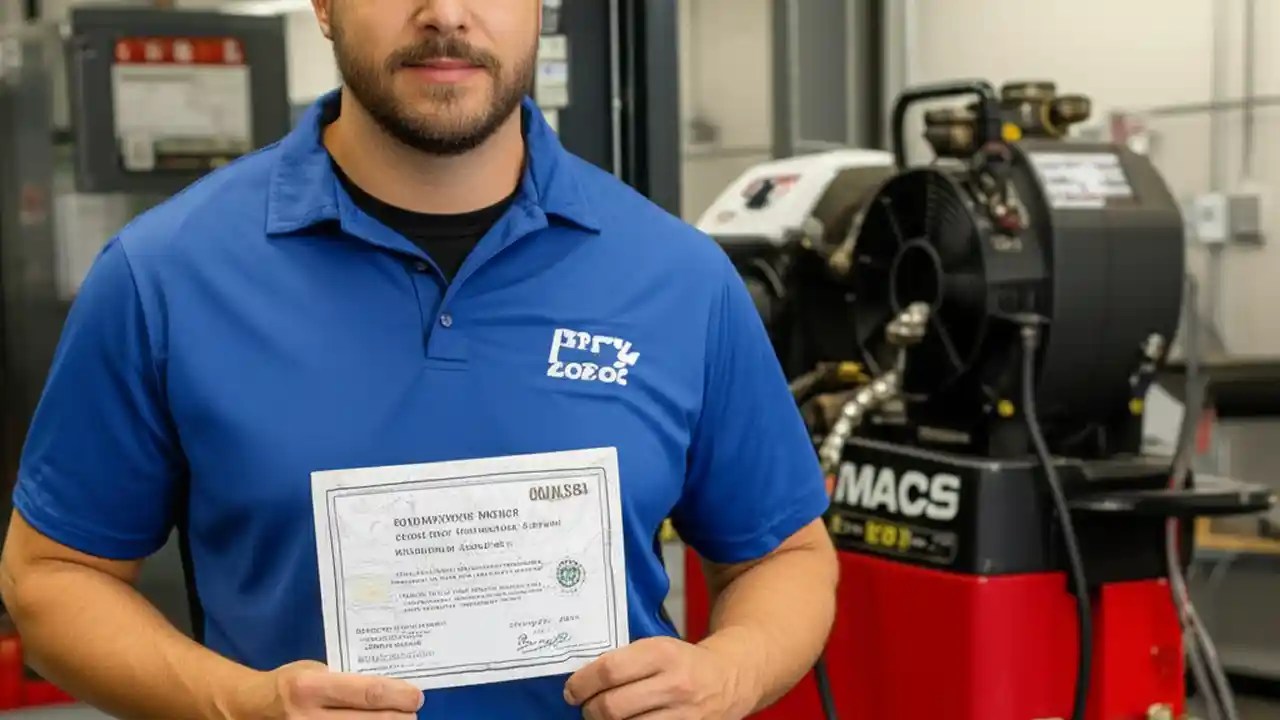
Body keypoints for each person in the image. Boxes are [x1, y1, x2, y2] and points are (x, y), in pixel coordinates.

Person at [0, 1, 838, 718]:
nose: (444, 12)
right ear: (323, 5)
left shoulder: (678, 276)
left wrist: (729, 673)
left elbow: (786, 556)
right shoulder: (165, 275)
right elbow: (51, 579)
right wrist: (238, 704)